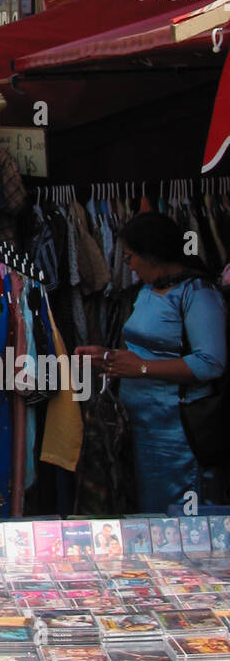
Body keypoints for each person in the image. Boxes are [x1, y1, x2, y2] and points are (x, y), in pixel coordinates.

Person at [79, 212, 227, 513]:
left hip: (178, 435)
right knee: (148, 513)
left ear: (152, 255)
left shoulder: (197, 294)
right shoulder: (149, 290)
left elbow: (211, 363)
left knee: (178, 520)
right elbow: (144, 349)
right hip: (143, 428)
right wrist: (108, 357)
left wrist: (141, 369)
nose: (127, 265)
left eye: (131, 257)